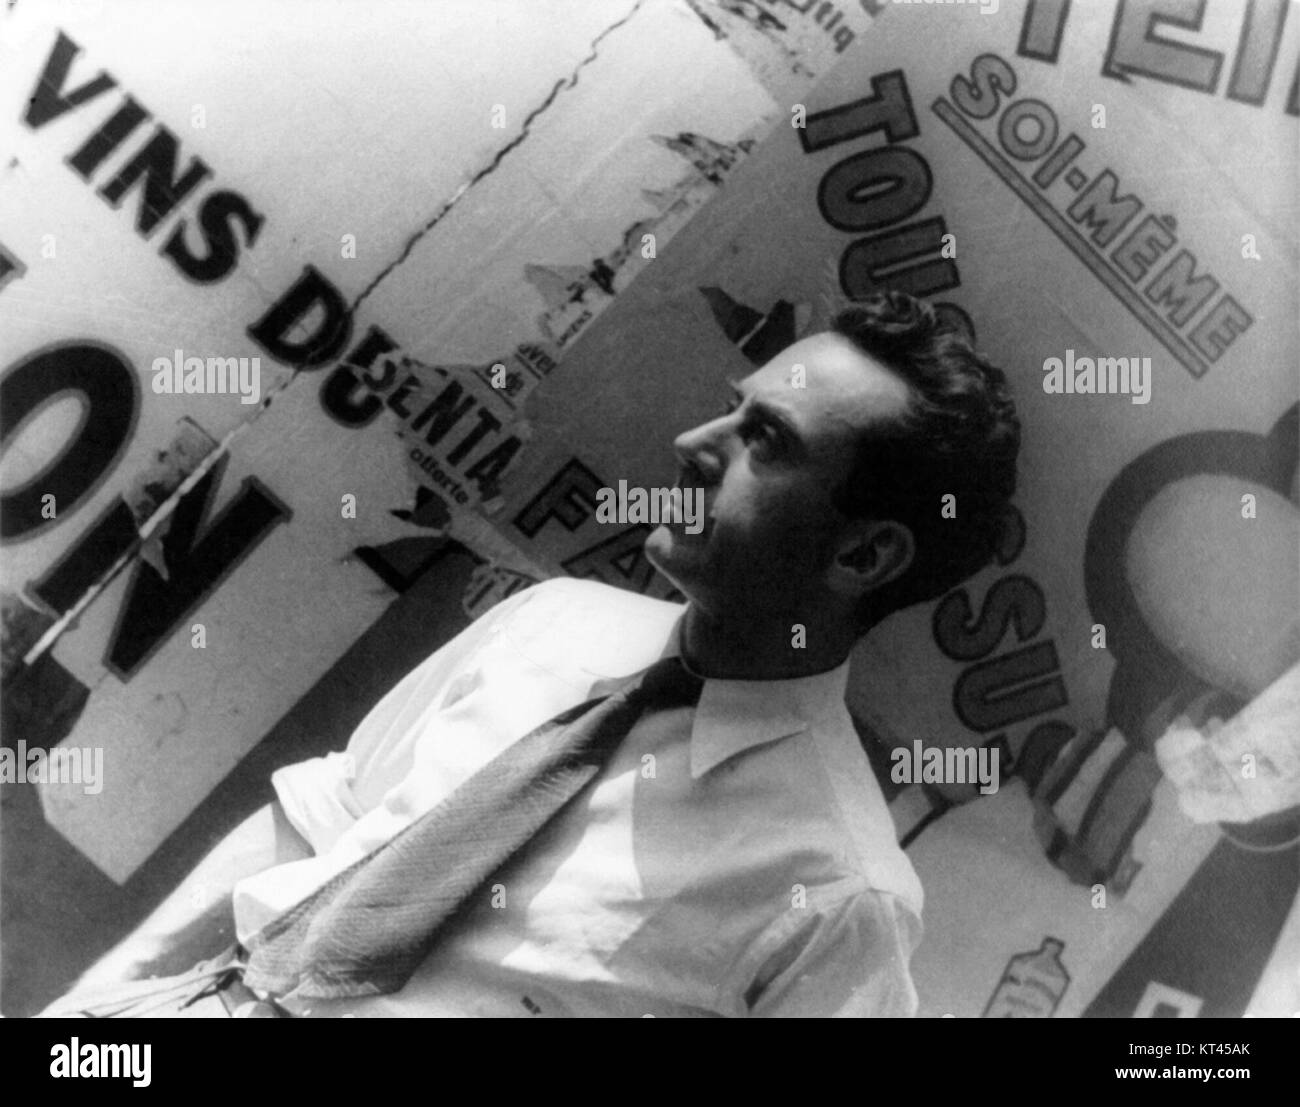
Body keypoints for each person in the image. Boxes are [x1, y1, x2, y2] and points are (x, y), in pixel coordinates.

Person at [43, 289, 1020, 1018]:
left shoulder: (839, 897)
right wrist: (94, 1010)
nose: (692, 439)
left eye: (763, 439)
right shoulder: (555, 620)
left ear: (862, 552)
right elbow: (314, 829)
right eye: (731, 407)